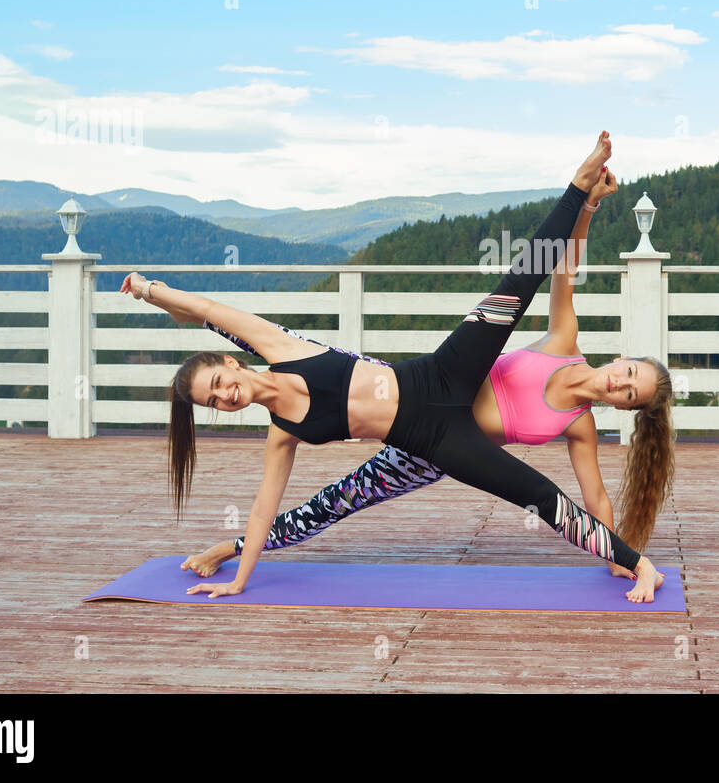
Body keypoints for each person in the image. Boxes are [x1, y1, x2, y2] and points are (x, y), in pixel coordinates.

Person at [123, 131, 665, 602]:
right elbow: (266, 506)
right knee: (331, 505)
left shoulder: (281, 349)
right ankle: (230, 549)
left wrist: (152, 289)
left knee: (517, 297)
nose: (226, 396)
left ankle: (644, 565)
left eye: (631, 395)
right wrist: (240, 576)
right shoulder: (281, 428)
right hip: (431, 432)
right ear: (622, 361)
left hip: (445, 386)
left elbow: (212, 312)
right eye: (215, 400)